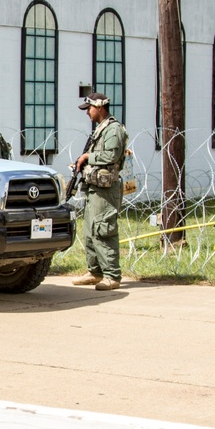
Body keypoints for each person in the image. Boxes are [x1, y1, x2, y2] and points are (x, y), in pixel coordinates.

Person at [70, 93, 127, 291]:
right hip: (94, 188)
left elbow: (112, 155)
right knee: (89, 231)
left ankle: (112, 275)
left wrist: (88, 156)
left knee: (103, 229)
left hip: (106, 190)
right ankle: (94, 271)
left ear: (100, 107)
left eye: (89, 108)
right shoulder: (100, 130)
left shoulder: (113, 129)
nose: (87, 112)